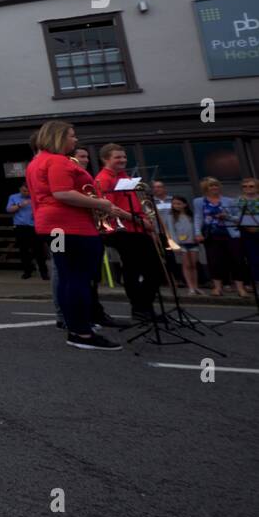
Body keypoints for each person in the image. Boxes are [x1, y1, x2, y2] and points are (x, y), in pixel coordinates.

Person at [28, 121, 128, 350]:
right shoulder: (57, 161)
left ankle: (74, 326)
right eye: (71, 136)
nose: (75, 140)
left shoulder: (37, 161)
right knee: (78, 278)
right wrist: (100, 202)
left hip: (53, 227)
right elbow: (62, 192)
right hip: (71, 227)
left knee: (67, 276)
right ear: (58, 137)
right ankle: (82, 332)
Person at [94, 143, 161, 321]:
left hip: (137, 227)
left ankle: (145, 307)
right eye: (118, 157)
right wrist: (138, 220)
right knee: (135, 269)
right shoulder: (104, 179)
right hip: (123, 230)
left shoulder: (123, 176)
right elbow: (109, 208)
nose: (123, 160)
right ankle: (140, 308)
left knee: (153, 269)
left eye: (124, 157)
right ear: (105, 159)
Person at [193, 177, 247, 297]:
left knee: (237, 260)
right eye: (211, 186)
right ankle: (217, 287)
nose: (214, 188)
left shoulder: (229, 201)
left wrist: (226, 216)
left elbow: (238, 217)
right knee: (215, 261)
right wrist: (197, 233)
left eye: (216, 185)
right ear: (205, 189)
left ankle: (240, 288)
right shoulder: (199, 201)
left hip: (230, 233)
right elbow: (198, 218)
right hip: (211, 235)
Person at [7, 185, 49, 279]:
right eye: (24, 191)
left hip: (35, 226)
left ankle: (43, 272)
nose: (26, 193)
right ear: (20, 190)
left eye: (27, 191)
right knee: (23, 250)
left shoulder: (36, 196)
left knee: (39, 250)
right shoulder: (13, 197)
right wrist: (19, 205)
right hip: (20, 226)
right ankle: (27, 272)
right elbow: (8, 209)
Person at [165, 195, 201, 294]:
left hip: (193, 242)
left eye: (179, 204)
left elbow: (195, 227)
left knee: (193, 264)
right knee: (186, 265)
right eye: (174, 204)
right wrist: (175, 245)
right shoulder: (171, 216)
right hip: (181, 244)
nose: (176, 206)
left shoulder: (190, 215)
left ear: (185, 204)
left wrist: (197, 237)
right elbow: (171, 231)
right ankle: (190, 287)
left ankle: (196, 286)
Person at [238, 177, 259, 291]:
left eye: (251, 186)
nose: (248, 189)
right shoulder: (239, 201)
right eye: (245, 186)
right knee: (253, 258)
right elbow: (236, 216)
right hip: (246, 233)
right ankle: (256, 282)